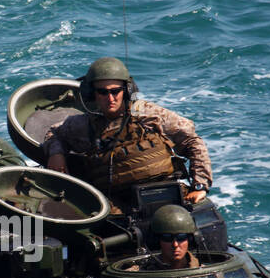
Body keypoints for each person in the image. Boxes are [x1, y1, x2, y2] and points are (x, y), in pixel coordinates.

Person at [42, 57, 212, 206]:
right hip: (115, 204)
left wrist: (200, 186)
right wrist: (56, 154)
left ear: (127, 90)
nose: (110, 98)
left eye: (116, 91)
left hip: (163, 194)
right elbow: (54, 134)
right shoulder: (84, 125)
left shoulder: (147, 114)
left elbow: (192, 141)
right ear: (91, 94)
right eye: (103, 92)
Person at [129, 204, 201, 271]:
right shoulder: (141, 273)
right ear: (157, 241)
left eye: (181, 237)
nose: (175, 244)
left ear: (190, 239)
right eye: (167, 237)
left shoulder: (205, 272)